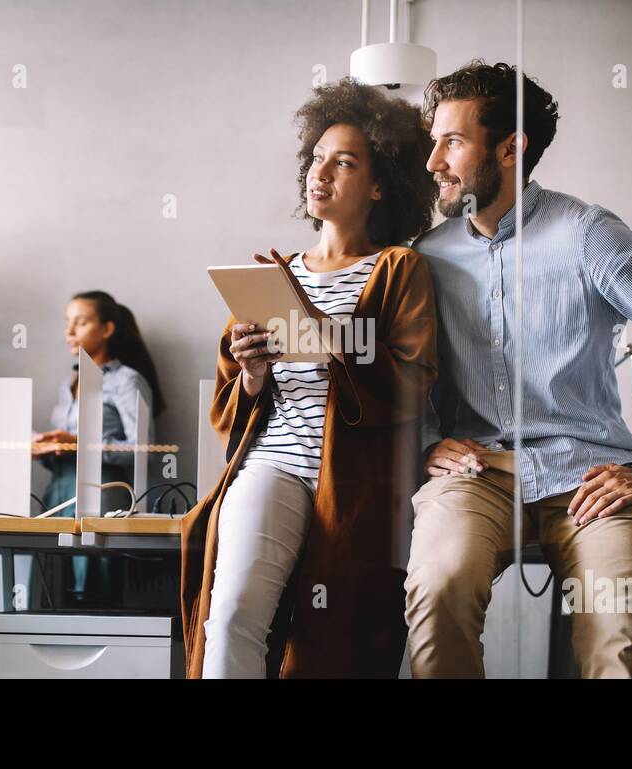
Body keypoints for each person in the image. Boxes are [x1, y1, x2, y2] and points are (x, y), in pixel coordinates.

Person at [405, 61, 632, 678]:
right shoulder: (425, 256)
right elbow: (409, 373)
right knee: (438, 594)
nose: (433, 161)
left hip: (588, 478)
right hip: (477, 473)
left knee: (621, 639)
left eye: (452, 142)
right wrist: (428, 441)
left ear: (511, 149)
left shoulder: (586, 236)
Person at [180, 78, 439, 678]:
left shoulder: (399, 269)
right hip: (272, 461)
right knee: (234, 612)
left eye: (344, 162)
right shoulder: (274, 273)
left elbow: (414, 379)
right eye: (317, 158)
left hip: (352, 481)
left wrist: (330, 345)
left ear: (379, 185)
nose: (321, 172)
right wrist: (251, 374)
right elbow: (231, 403)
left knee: (333, 634)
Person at [33, 291, 165, 602]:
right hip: (59, 496)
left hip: (104, 496)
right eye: (67, 323)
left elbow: (143, 451)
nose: (68, 332)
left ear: (107, 329)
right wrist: (48, 449)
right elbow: (68, 447)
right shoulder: (68, 383)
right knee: (52, 589)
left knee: (95, 590)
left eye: (80, 323)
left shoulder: (126, 381)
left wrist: (79, 444)